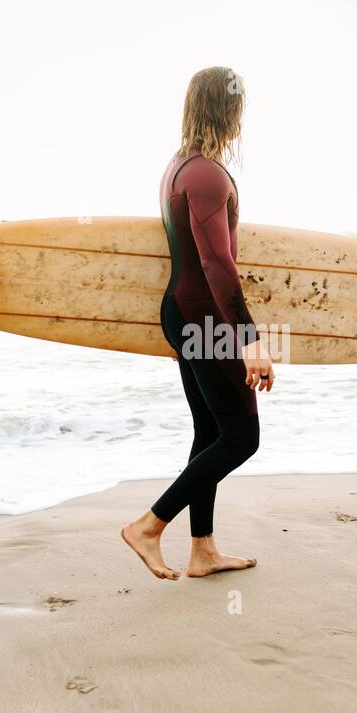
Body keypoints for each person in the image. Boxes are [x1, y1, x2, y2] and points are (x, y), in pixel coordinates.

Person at [121, 66, 274, 579]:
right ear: (228, 109)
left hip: (183, 312)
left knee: (211, 430)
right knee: (241, 437)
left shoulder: (178, 166)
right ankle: (149, 525)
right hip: (204, 318)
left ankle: (203, 550)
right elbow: (215, 264)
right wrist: (250, 340)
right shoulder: (205, 174)